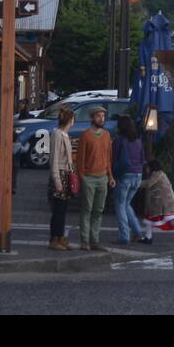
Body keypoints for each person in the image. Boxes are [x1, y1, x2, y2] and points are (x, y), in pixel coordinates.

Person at [75, 106, 115, 250]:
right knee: (86, 209)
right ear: (92, 118)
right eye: (98, 116)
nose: (101, 119)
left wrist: (110, 176)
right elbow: (80, 159)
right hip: (89, 177)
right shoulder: (85, 135)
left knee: (98, 210)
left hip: (103, 177)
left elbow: (108, 157)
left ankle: (95, 240)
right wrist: (82, 177)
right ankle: (84, 240)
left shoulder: (106, 135)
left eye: (103, 116)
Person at [139, 158, 174, 247]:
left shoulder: (157, 174)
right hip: (162, 202)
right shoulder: (160, 174)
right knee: (149, 218)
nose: (146, 169)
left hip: (164, 203)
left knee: (172, 220)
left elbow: (149, 184)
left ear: (152, 167)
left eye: (147, 167)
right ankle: (148, 237)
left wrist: (135, 183)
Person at [111, 117, 147, 244]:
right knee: (126, 204)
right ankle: (137, 232)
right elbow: (143, 158)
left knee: (120, 205)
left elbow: (114, 159)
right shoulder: (138, 140)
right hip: (138, 175)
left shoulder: (119, 140)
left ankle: (124, 236)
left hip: (124, 175)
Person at [47, 107, 75, 250]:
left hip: (65, 174)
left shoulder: (64, 134)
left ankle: (60, 236)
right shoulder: (57, 134)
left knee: (63, 209)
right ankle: (54, 238)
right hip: (60, 175)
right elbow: (54, 158)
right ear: (71, 120)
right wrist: (57, 180)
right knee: (58, 209)